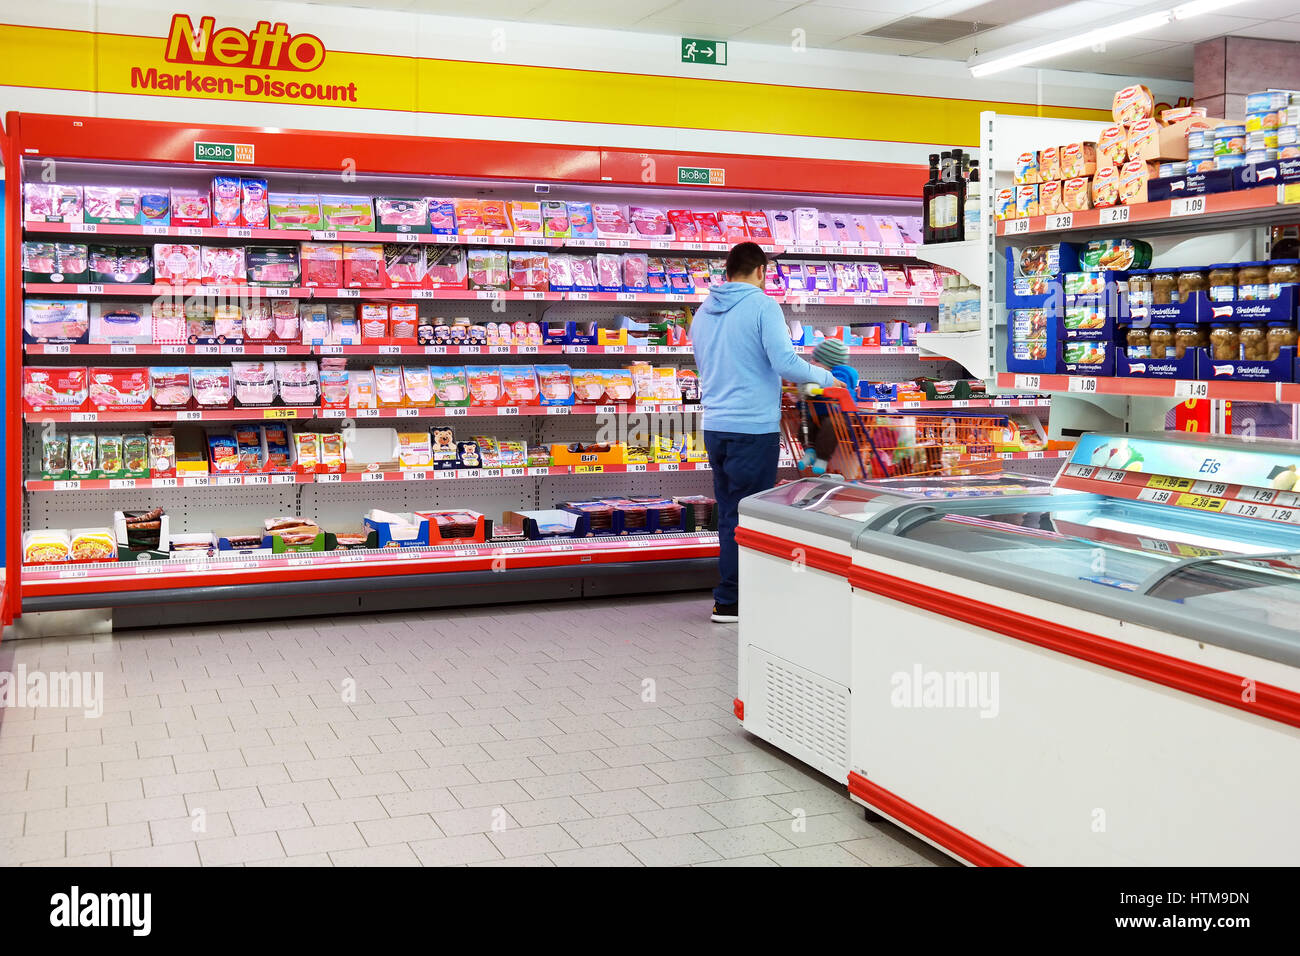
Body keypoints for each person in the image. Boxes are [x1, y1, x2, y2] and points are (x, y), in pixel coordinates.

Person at [690, 241, 841, 623]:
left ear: (727, 272)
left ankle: (729, 597)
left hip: (716, 427)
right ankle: (739, 599)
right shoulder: (762, 305)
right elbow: (784, 361)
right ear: (760, 271)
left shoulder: (703, 311)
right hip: (752, 429)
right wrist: (828, 378)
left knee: (730, 513)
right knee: (753, 514)